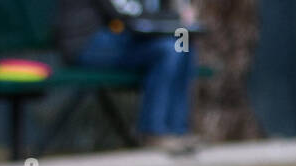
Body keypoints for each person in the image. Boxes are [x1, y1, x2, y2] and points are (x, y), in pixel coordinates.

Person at [54, 0, 198, 154]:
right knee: (167, 50)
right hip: (84, 43)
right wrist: (176, 18)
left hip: (114, 36)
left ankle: (178, 131)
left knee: (183, 45)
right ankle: (154, 132)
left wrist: (180, 13)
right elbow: (129, 14)